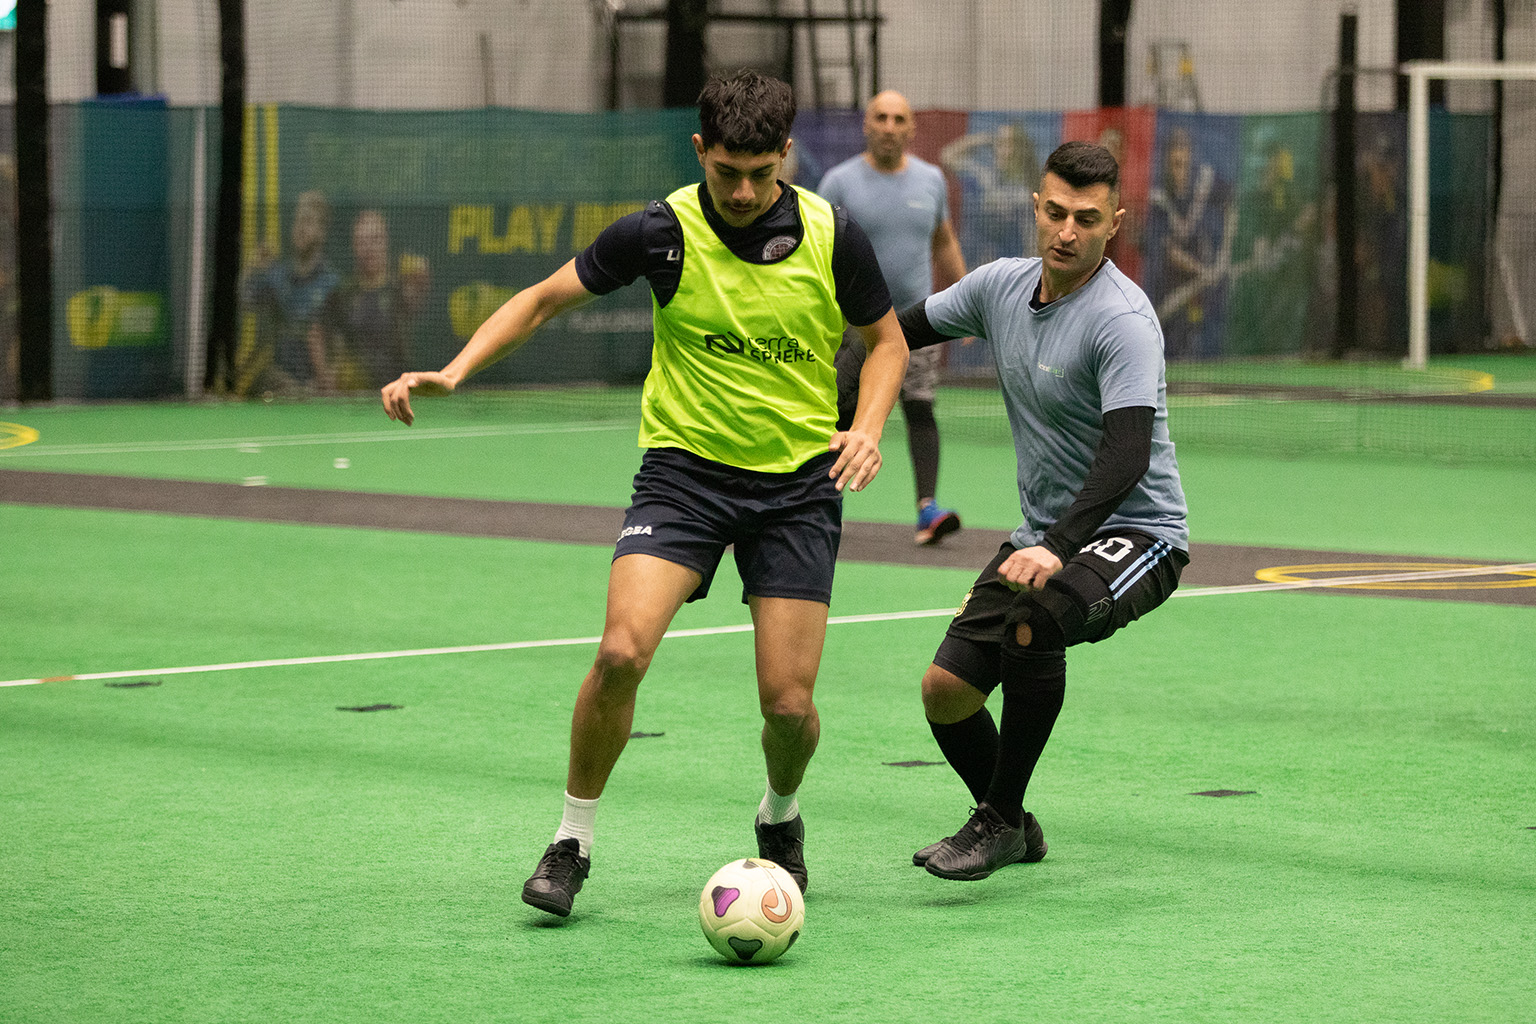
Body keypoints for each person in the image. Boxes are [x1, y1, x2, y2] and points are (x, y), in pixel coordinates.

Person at [381, 70, 907, 917]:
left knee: (789, 705)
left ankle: (781, 813)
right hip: (685, 473)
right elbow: (544, 298)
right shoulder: (662, 232)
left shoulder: (831, 233)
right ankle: (571, 840)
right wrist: (454, 370)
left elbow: (885, 344)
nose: (741, 191)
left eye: (759, 173)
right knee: (621, 652)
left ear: (787, 156)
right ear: (701, 150)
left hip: (799, 487)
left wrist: (870, 426)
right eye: (725, 170)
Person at [896, 141, 1189, 881]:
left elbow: (1126, 455)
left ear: (1113, 223)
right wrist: (842, 414)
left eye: (1086, 219)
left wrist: (1058, 546)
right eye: (1055, 212)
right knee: (946, 693)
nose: (1066, 231)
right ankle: (1017, 826)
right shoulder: (998, 288)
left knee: (1036, 624)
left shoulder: (1122, 319)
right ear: (1036, 207)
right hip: (1045, 538)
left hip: (1138, 533)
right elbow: (893, 334)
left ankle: (994, 821)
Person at [818, 90, 969, 545]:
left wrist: (966, 301)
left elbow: (943, 241)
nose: (888, 126)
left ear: (910, 129)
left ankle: (928, 512)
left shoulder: (931, 180)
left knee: (920, 409)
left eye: (898, 118)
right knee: (839, 417)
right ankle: (817, 508)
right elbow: (815, 250)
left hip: (917, 323)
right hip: (852, 327)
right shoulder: (838, 183)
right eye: (880, 117)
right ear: (866, 125)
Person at [1144, 128, 1234, 360]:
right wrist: (1201, 271)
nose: (1180, 171)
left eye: (1184, 163)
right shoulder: (1160, 196)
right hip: (1172, 279)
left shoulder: (1206, 182)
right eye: (1175, 164)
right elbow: (1169, 251)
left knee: (1204, 329)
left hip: (1206, 277)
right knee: (1167, 330)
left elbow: (1230, 203)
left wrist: (1223, 256)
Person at [241, 189, 343, 393]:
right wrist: (253, 267)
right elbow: (244, 299)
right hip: (278, 385)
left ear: (322, 232)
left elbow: (342, 346)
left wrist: (327, 379)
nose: (300, 228)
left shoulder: (332, 285)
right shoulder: (277, 276)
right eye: (297, 221)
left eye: (308, 222)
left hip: (316, 392)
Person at [335, 209, 430, 390]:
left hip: (398, 388)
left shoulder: (401, 289)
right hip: (353, 394)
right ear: (353, 245)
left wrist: (421, 280)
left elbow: (416, 304)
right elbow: (323, 334)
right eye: (362, 241)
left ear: (386, 241)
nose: (369, 247)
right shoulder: (343, 294)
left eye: (375, 239)